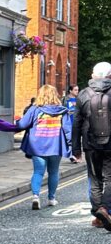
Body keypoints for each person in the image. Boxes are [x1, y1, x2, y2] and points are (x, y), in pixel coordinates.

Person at [16, 84, 71, 210]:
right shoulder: (62, 111)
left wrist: (14, 124)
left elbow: (22, 124)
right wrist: (71, 146)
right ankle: (51, 199)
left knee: (38, 172)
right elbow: (68, 130)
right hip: (56, 146)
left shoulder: (34, 109)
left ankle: (36, 196)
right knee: (53, 172)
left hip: (37, 146)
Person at [72, 61, 111, 229]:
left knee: (95, 179)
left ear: (93, 75)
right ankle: (105, 209)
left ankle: (99, 215)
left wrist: (76, 148)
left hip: (90, 143)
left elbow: (76, 123)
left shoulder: (83, 94)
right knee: (110, 178)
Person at [61, 83, 80, 162]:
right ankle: (71, 155)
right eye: (75, 90)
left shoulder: (79, 99)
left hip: (76, 122)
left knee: (76, 140)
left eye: (78, 90)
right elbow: (62, 109)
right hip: (68, 122)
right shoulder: (65, 99)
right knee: (69, 139)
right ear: (70, 91)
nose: (77, 91)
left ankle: (75, 155)